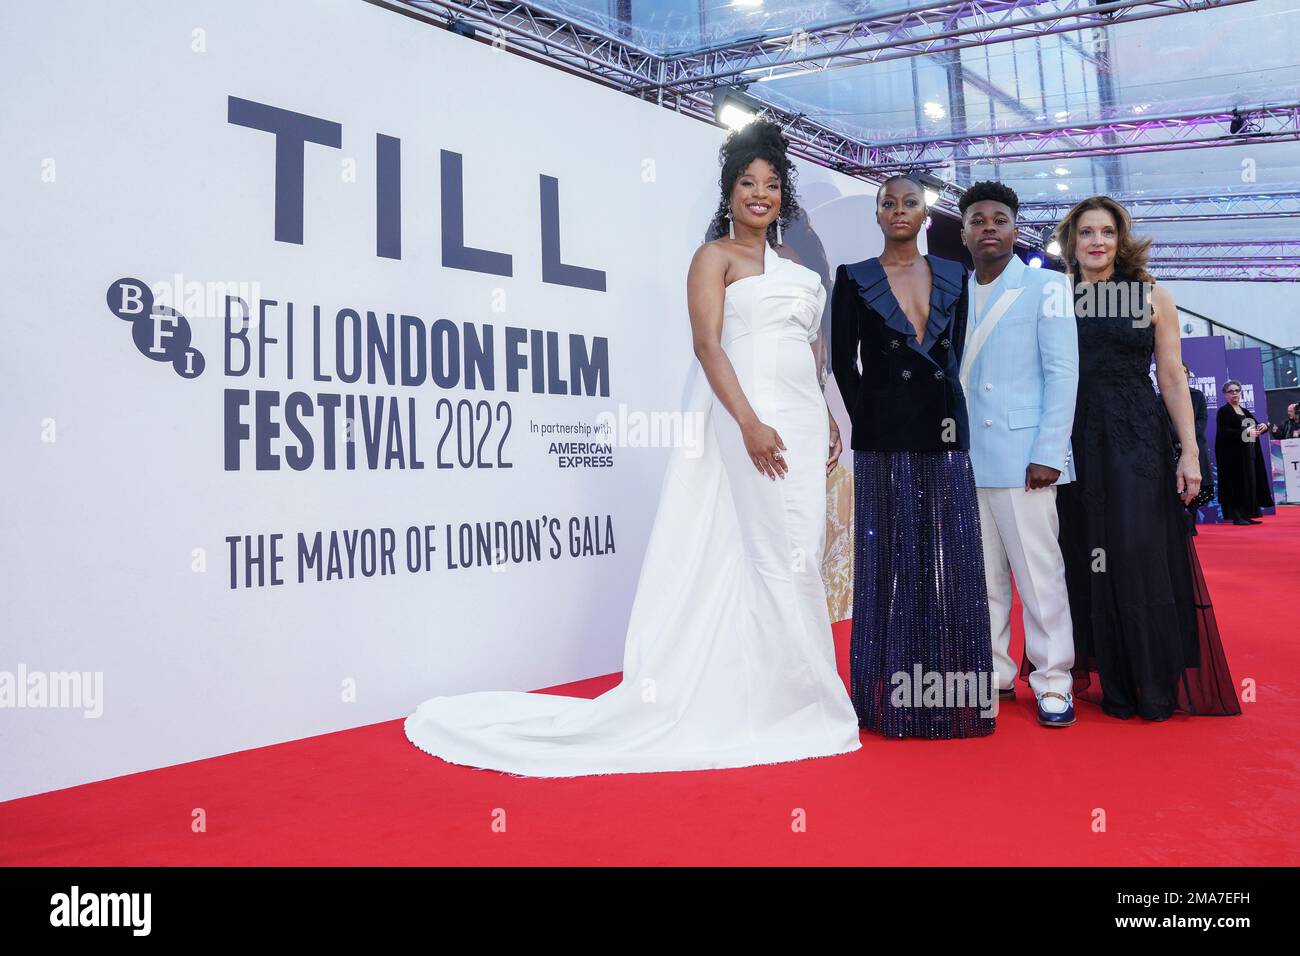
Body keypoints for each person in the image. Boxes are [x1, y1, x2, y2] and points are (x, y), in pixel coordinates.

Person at [403, 118, 862, 776]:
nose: (758, 194)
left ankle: (775, 695)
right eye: (746, 184)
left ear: (783, 193)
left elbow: (810, 350)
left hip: (805, 416)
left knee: (798, 551)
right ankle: (808, 703)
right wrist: (750, 424)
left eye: (769, 184)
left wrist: (827, 412)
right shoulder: (714, 259)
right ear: (729, 194)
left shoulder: (794, 267)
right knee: (777, 554)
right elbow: (708, 347)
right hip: (748, 422)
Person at [1050, 195, 1240, 721]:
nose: (1096, 241)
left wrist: (1192, 453)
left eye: (1106, 232)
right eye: (1086, 232)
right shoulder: (1056, 295)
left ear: (1120, 239)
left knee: (1137, 549)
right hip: (1075, 438)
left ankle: (1154, 680)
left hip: (1137, 437)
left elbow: (1173, 378)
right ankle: (1113, 679)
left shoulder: (1150, 295)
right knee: (1087, 550)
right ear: (1072, 241)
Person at [830, 174, 995, 739]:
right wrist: (869, 419)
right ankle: (886, 699)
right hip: (882, 432)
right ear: (876, 215)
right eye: (888, 203)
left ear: (926, 214)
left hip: (946, 431)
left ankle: (951, 698)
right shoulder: (852, 278)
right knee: (888, 566)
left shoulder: (956, 275)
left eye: (910, 203)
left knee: (951, 561)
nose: (899, 210)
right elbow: (842, 363)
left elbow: (954, 356)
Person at [956, 181, 1079, 728]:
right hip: (968, 458)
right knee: (983, 578)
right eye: (977, 219)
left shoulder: (1047, 286)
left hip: (1027, 455)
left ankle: (1054, 680)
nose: (988, 227)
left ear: (1014, 228)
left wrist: (1050, 450)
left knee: (1039, 574)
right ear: (963, 231)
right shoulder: (952, 291)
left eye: (999, 218)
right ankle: (996, 674)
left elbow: (1063, 373)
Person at [1215, 380, 1274, 525]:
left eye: (1237, 391)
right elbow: (1224, 433)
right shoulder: (1224, 411)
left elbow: (1255, 426)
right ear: (1225, 395)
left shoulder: (1245, 410)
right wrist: (1245, 431)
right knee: (1236, 484)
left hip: (1249, 453)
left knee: (1250, 484)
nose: (1234, 393)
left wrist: (1263, 427)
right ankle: (1237, 515)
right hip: (1233, 457)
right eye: (1231, 391)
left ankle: (1247, 514)